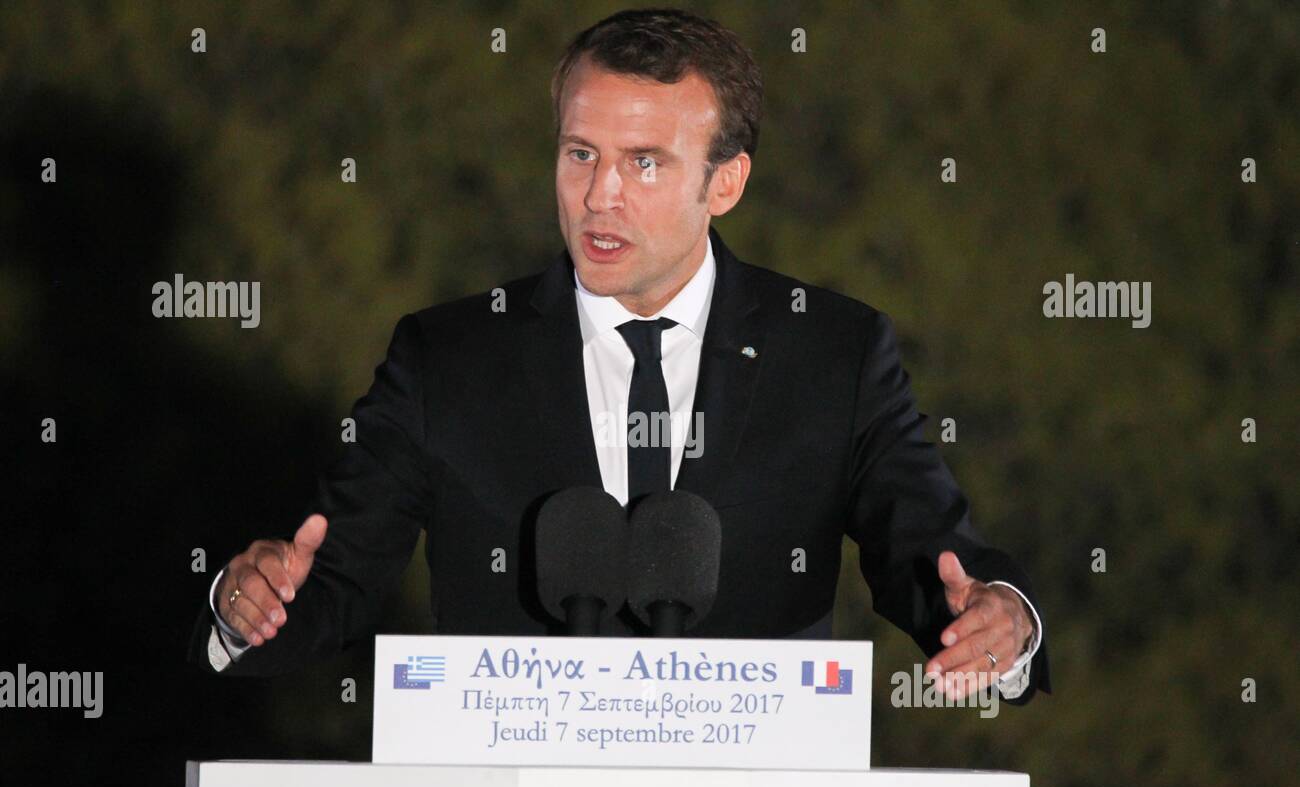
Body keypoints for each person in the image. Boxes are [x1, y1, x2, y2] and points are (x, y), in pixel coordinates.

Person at [190, 8, 1050, 705]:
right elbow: (329, 582)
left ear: (726, 183)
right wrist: (252, 604)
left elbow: (931, 555)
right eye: (580, 155)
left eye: (644, 162)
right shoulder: (447, 358)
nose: (600, 194)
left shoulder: (832, 352)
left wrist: (999, 617)